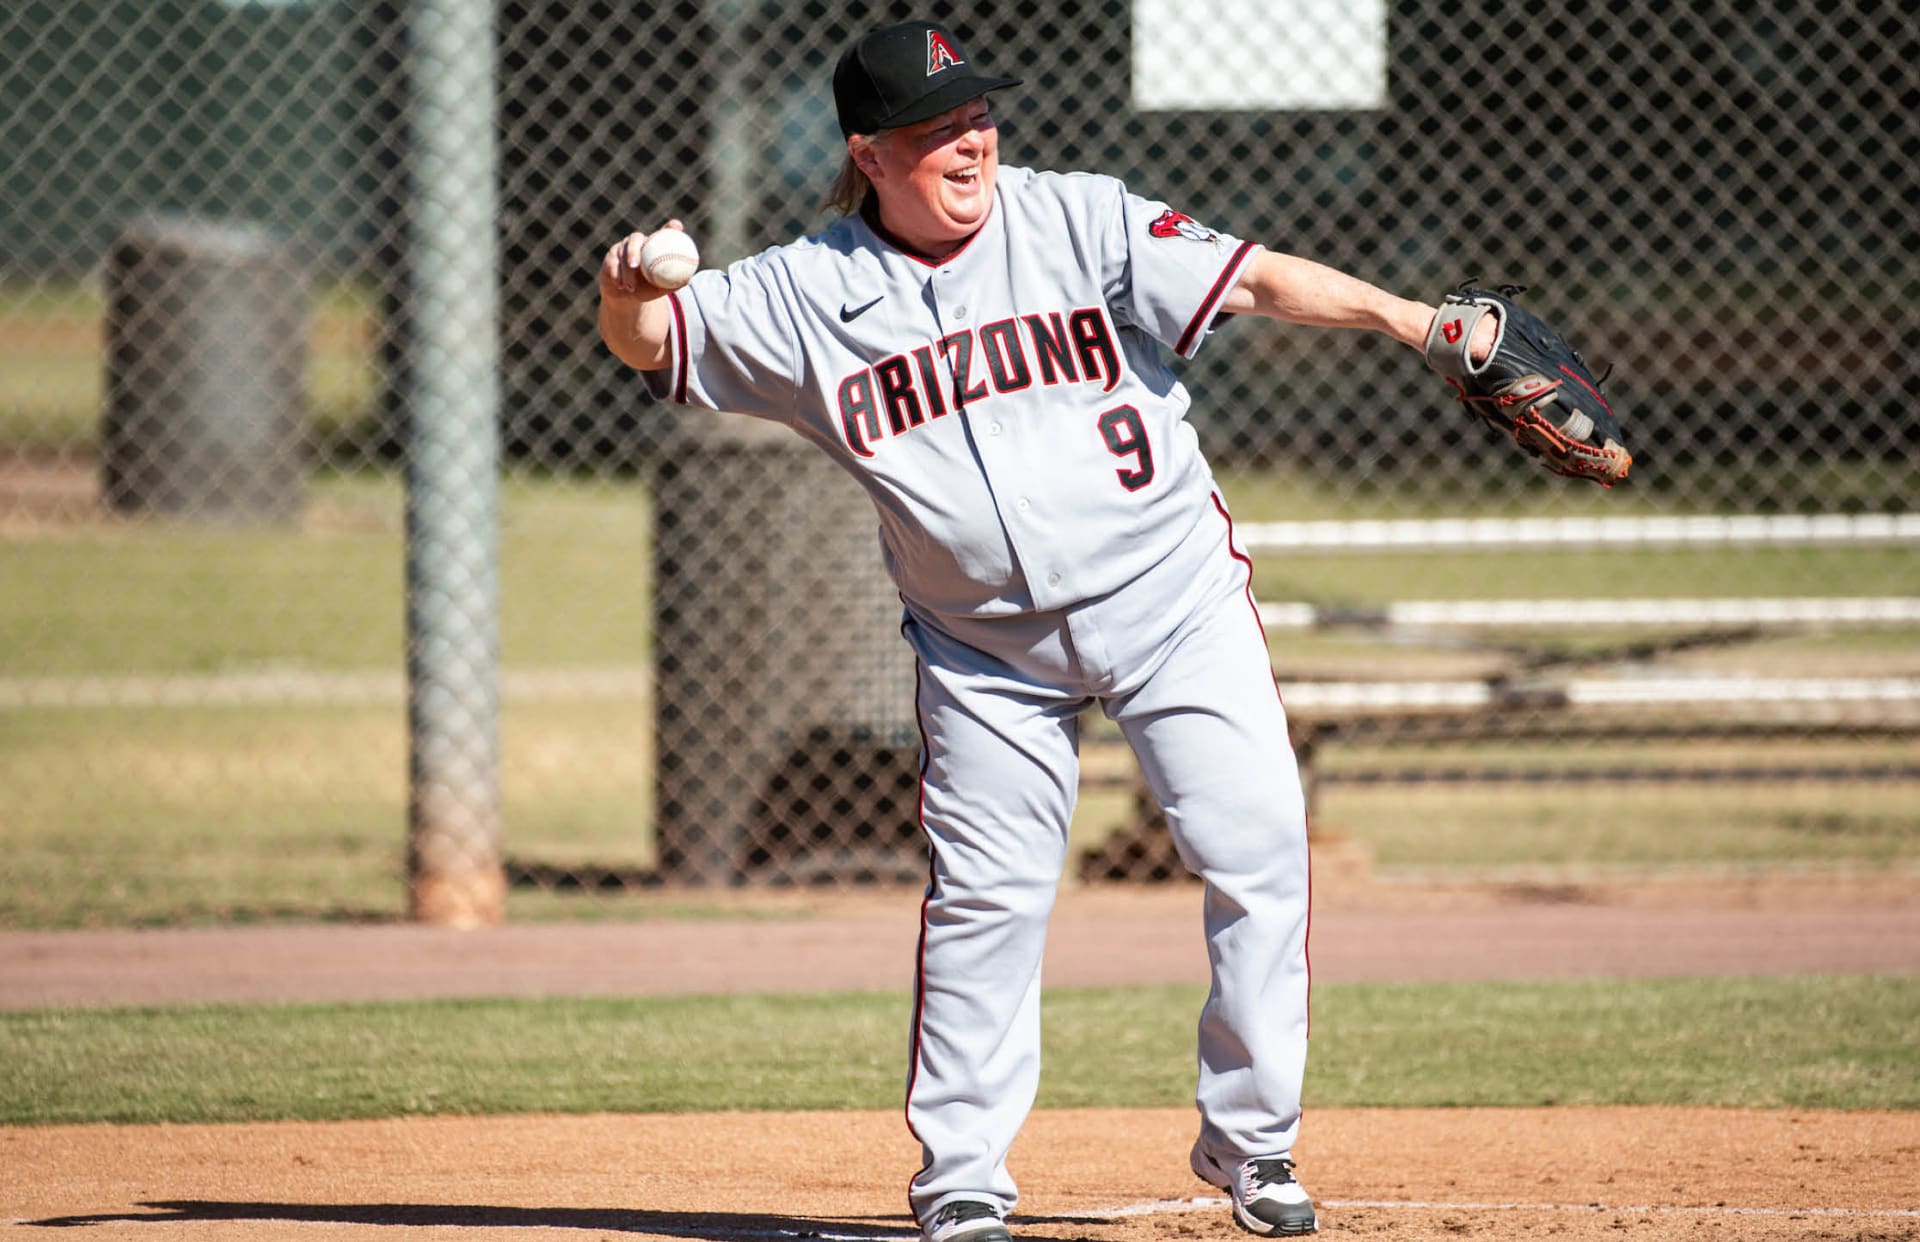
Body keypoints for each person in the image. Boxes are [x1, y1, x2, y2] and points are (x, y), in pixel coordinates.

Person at [598, 21, 1500, 1241]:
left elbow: (1258, 275)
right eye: (935, 129)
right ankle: (962, 1172)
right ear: (869, 155)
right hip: (985, 653)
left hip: (1172, 603)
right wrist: (622, 295)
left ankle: (1254, 1144)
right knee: (988, 899)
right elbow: (659, 346)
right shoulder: (807, 290)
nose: (971, 142)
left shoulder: (1078, 217)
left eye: (977, 115)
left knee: (1260, 847)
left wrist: (1414, 323)